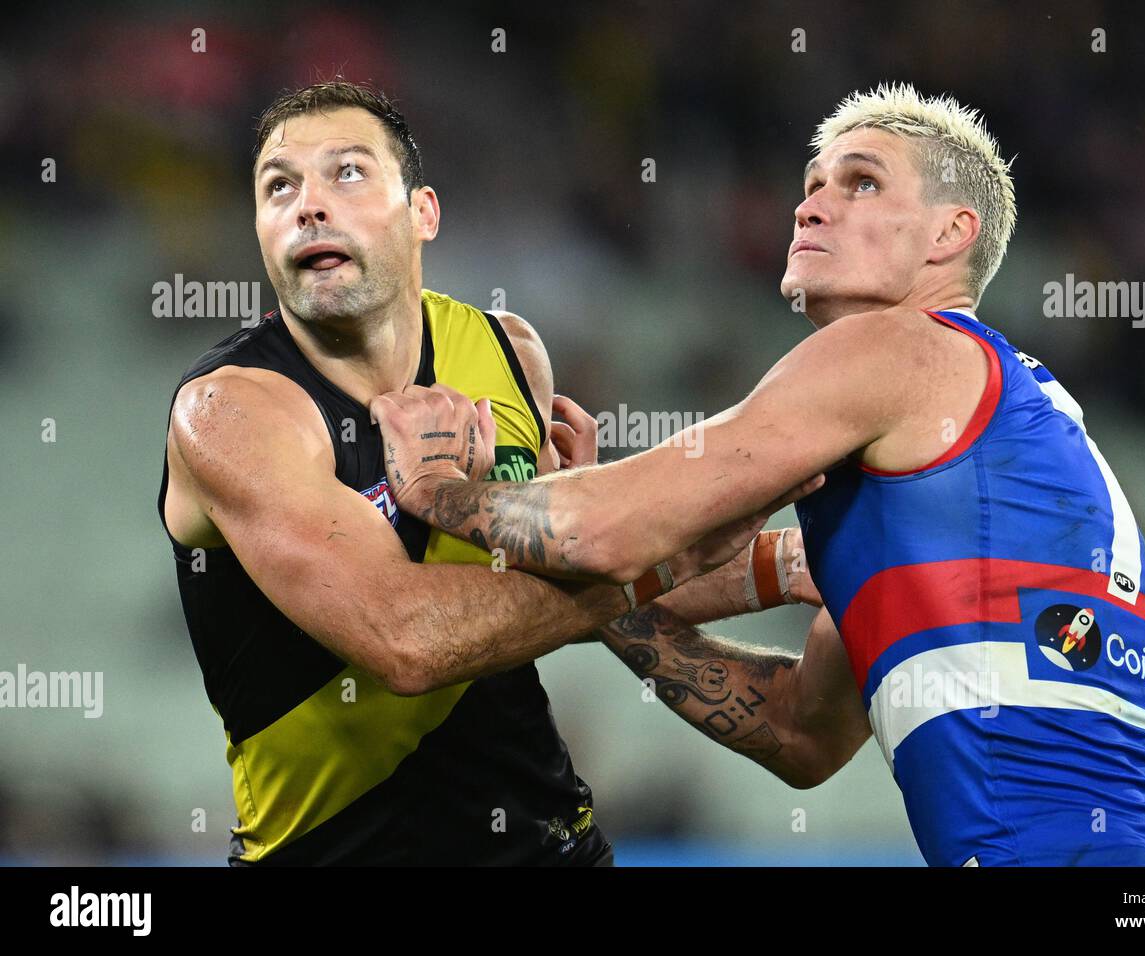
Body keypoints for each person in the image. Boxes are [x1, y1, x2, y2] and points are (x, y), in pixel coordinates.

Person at [404, 83, 1145, 866]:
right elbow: (802, 732)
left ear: (949, 235)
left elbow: (605, 531)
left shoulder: (897, 348)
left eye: (861, 182)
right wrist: (613, 590)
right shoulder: (969, 435)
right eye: (812, 184)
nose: (810, 204)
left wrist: (436, 485)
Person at [156, 80, 817, 865]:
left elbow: (542, 597)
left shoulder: (507, 350)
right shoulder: (232, 413)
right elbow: (408, 642)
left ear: (423, 213)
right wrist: (649, 546)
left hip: (547, 845)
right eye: (279, 186)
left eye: (348, 172)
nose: (308, 205)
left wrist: (788, 564)